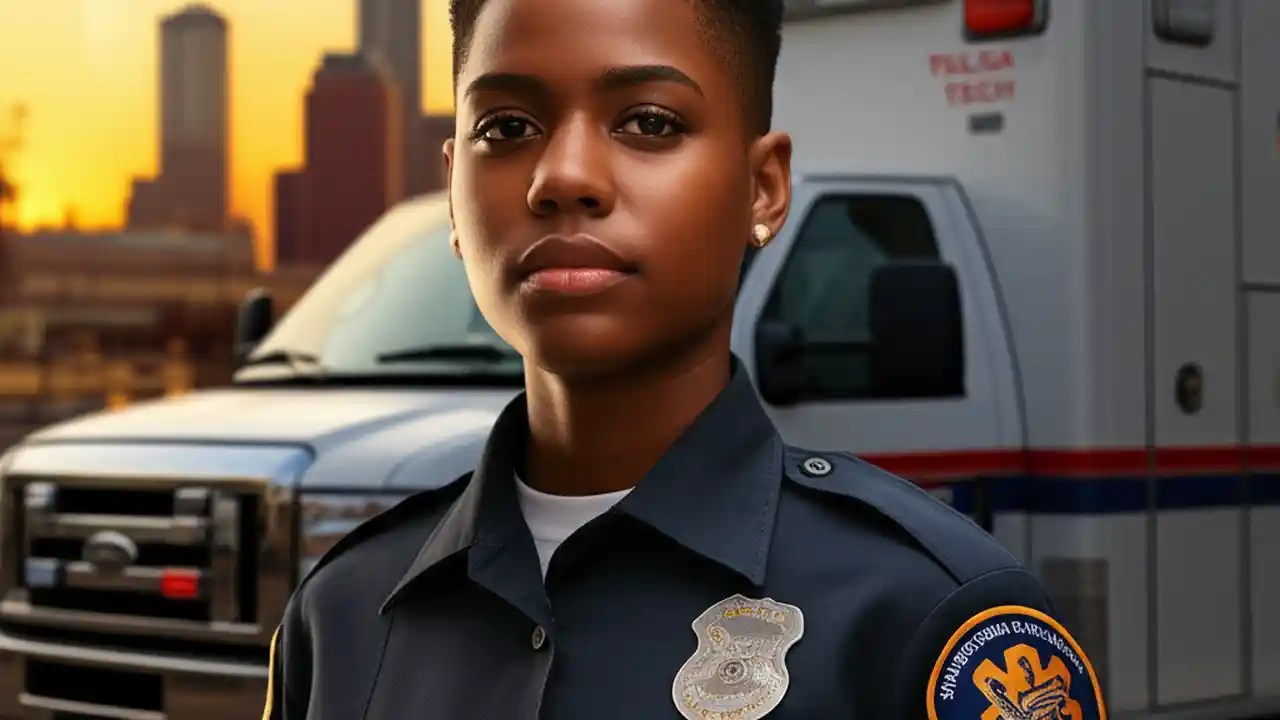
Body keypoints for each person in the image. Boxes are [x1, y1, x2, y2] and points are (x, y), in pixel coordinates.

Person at [261, 0, 1108, 717]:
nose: (561, 177)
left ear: (763, 188)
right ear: (453, 190)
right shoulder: (337, 615)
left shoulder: (937, 620)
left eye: (649, 122)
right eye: (507, 126)